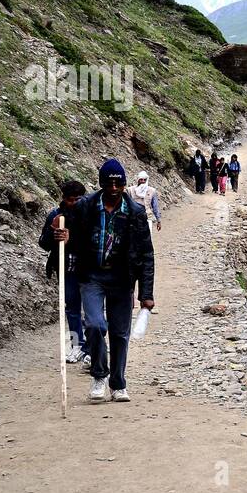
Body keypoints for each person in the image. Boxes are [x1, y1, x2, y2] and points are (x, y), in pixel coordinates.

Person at [52, 158, 155, 404]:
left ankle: (118, 384)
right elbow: (63, 236)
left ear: (123, 185)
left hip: (122, 279)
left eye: (118, 184)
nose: (113, 188)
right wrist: (62, 237)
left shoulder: (135, 213)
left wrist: (146, 293)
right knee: (96, 326)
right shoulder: (85, 206)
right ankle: (99, 375)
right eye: (108, 183)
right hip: (92, 277)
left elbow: (146, 255)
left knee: (120, 334)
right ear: (100, 184)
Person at [38, 179, 88, 365]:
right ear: (63, 199)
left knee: (92, 310)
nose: (73, 203)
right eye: (70, 199)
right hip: (66, 269)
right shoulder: (56, 215)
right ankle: (77, 345)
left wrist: (71, 239)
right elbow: (43, 242)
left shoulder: (91, 215)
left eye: (77, 199)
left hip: (88, 270)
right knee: (72, 308)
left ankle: (91, 346)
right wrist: (53, 234)